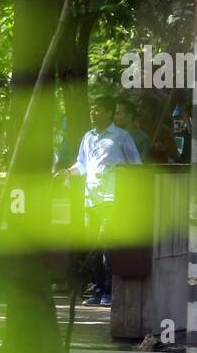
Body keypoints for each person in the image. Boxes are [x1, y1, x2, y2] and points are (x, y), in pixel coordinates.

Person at [58, 97, 142, 305]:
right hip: (90, 198)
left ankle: (110, 290)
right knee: (93, 245)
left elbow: (137, 166)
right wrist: (67, 173)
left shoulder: (122, 137)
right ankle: (97, 290)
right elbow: (82, 164)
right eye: (92, 109)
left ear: (109, 113)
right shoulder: (88, 137)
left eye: (98, 110)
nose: (93, 113)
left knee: (106, 244)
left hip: (112, 198)